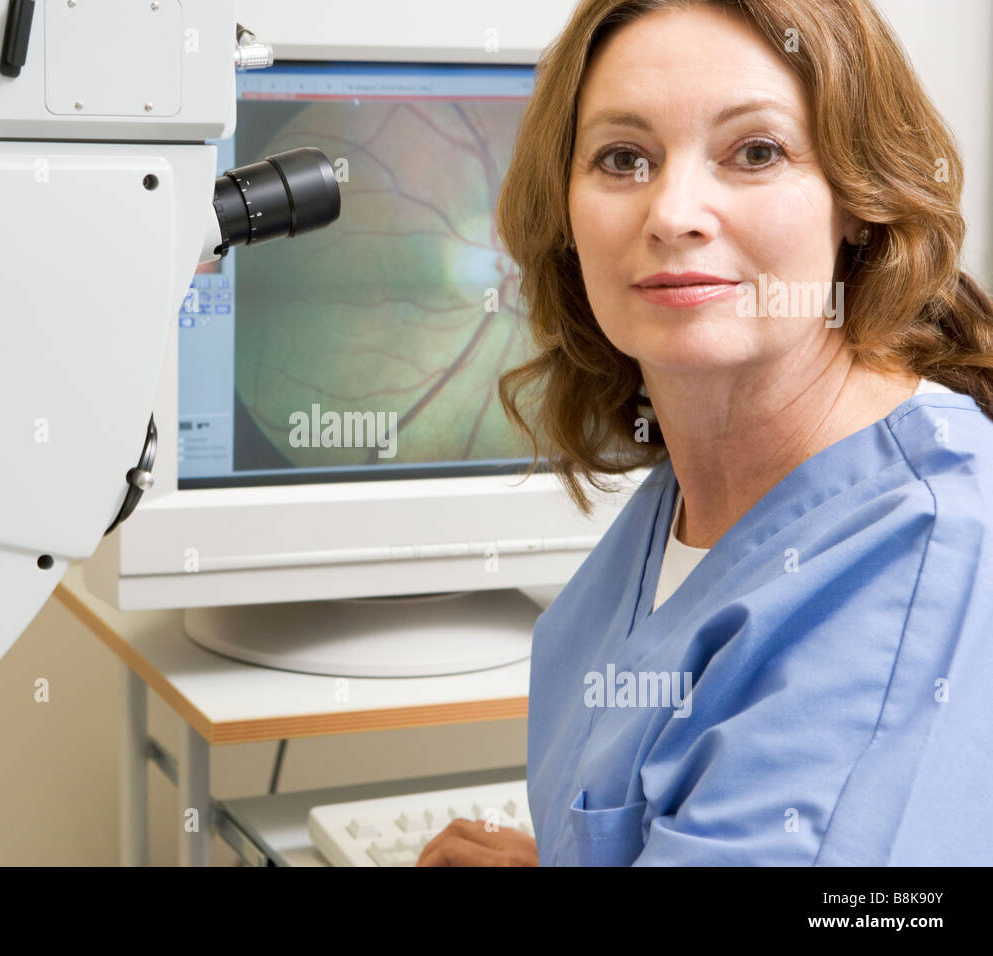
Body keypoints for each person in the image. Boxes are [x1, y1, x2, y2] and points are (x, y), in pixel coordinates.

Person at [417, 0, 993, 866]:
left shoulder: (916, 553)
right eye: (623, 158)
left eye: (756, 152)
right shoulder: (688, 497)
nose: (673, 213)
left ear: (859, 198)